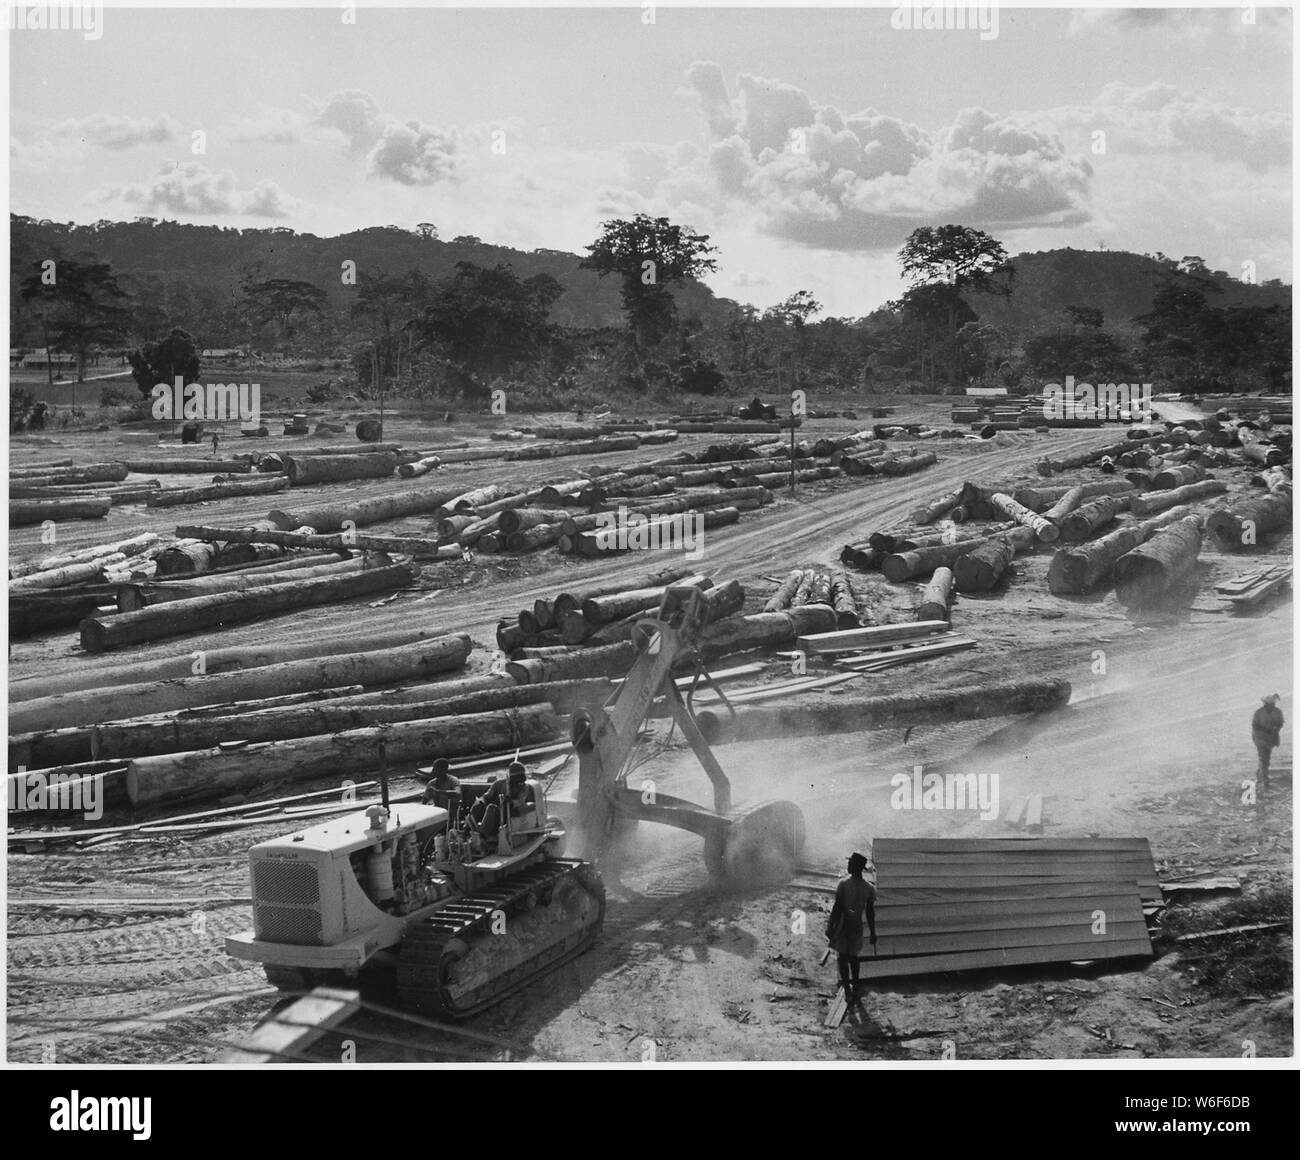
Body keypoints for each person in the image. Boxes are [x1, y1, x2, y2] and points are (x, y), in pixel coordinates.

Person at [826, 851, 877, 1006]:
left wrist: (831, 925)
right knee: (853, 957)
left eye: (850, 864)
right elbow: (869, 913)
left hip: (845, 924)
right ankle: (854, 986)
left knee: (844, 958)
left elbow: (837, 908)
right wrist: (873, 932)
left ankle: (849, 989)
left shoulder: (844, 884)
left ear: (855, 867)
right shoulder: (868, 888)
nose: (848, 866)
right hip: (855, 925)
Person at [469, 762, 534, 845]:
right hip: (499, 812)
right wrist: (480, 802)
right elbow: (486, 796)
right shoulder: (498, 784)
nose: (518, 782)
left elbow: (520, 801)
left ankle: (482, 836)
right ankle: (468, 831)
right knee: (478, 808)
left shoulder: (524, 787)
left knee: (491, 808)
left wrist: (511, 802)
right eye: (516, 778)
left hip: (510, 814)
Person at [1251, 694, 1285, 785]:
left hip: (1271, 739)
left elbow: (1281, 723)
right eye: (1269, 704)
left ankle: (1260, 775)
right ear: (1265, 704)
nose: (1271, 705)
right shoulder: (1258, 713)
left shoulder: (1278, 712)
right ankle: (1264, 778)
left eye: (1272, 703)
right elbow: (1255, 725)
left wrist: (1276, 728)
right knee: (1264, 757)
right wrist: (1265, 730)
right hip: (1260, 739)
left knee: (1266, 758)